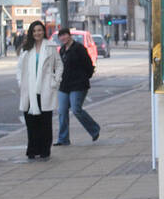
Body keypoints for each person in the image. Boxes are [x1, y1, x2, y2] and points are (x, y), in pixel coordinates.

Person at [17, 19, 62, 159]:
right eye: (35, 31)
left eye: (40, 30)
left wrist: (55, 81)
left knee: (45, 122)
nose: (37, 33)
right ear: (31, 32)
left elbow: (59, 65)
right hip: (29, 90)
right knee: (31, 122)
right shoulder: (26, 48)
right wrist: (20, 82)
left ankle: (44, 150)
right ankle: (32, 149)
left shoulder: (51, 46)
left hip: (45, 88)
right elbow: (19, 68)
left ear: (44, 32)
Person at [55, 27, 101, 145]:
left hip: (78, 85)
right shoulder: (62, 50)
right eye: (61, 36)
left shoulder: (79, 48)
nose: (63, 38)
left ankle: (94, 129)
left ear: (69, 35)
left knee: (76, 109)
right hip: (64, 85)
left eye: (64, 35)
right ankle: (63, 139)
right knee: (62, 111)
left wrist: (85, 77)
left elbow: (88, 65)